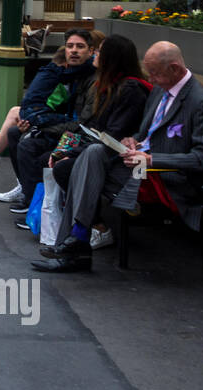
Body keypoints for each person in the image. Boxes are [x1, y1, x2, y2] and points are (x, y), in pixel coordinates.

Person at [33, 41, 203, 273]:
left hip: (165, 179)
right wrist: (133, 140)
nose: (151, 79)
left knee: (81, 169)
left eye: (156, 74)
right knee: (93, 153)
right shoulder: (162, 89)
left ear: (175, 69)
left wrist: (151, 160)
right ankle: (77, 240)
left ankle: (76, 244)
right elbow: (145, 132)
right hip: (138, 167)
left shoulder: (199, 102)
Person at [41, 35, 151, 251]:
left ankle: (91, 230)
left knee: (66, 168)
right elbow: (91, 125)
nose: (96, 55)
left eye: (100, 51)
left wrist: (71, 153)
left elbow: (112, 134)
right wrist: (65, 149)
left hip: (119, 159)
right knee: (46, 156)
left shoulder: (130, 89)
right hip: (101, 150)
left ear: (111, 58)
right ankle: (80, 233)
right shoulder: (109, 85)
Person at [8, 30, 98, 230]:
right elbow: (51, 104)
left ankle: (37, 206)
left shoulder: (91, 78)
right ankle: (28, 195)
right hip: (66, 128)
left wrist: (43, 125)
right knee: (15, 133)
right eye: (70, 46)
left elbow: (83, 124)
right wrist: (36, 120)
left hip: (80, 135)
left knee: (31, 148)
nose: (74, 51)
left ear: (91, 51)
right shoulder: (68, 73)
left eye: (80, 47)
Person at [0, 47, 67, 171]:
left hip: (68, 126)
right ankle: (18, 179)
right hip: (60, 120)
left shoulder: (63, 77)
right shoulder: (64, 77)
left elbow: (55, 104)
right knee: (15, 130)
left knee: (21, 135)